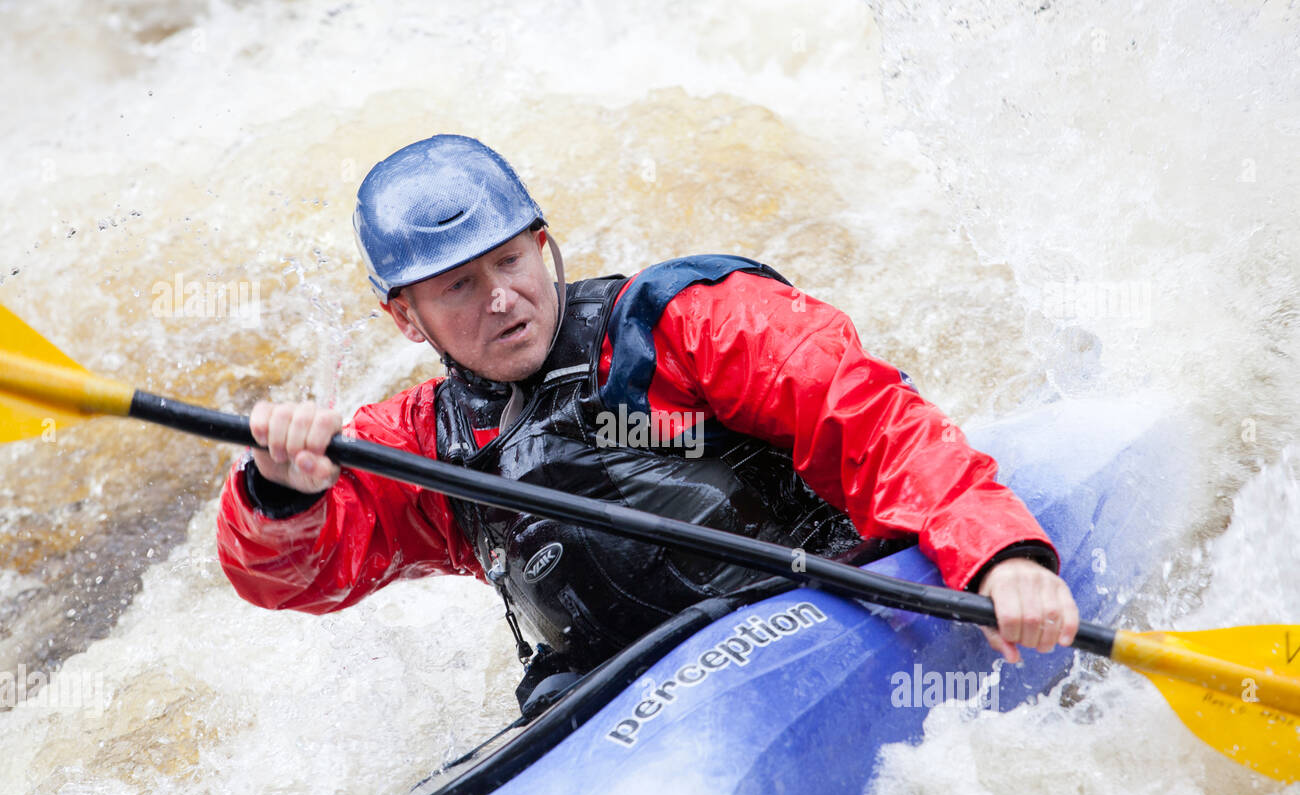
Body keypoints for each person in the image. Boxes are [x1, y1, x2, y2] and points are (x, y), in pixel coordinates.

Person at [216, 134, 1079, 699]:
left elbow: (871, 422)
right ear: (406, 319)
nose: (504, 299)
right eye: (458, 288)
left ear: (543, 245)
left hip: (810, 619)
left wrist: (998, 552)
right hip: (617, 701)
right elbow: (300, 574)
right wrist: (279, 491)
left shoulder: (684, 324)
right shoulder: (424, 446)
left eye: (512, 261)